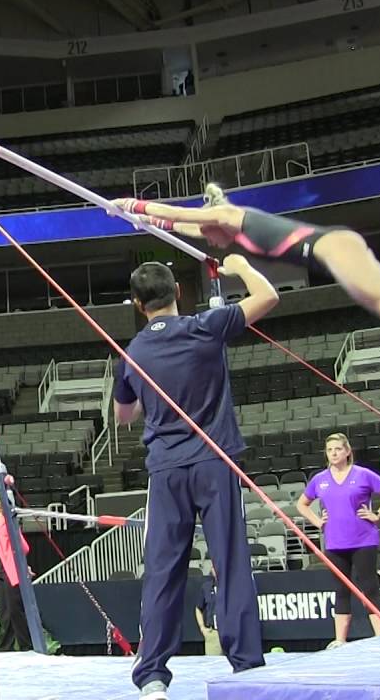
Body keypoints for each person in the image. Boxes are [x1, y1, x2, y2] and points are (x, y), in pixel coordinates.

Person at [113, 188, 380, 426]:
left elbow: (189, 217)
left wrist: (132, 204)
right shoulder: (231, 228)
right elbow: (187, 228)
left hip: (336, 248)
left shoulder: (227, 217)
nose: (212, 241)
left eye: (212, 233)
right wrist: (145, 223)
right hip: (333, 253)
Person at [111, 255, 279, 700]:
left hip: (167, 469)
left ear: (136, 304)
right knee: (229, 562)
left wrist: (154, 390)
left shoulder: (131, 354)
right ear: (178, 293)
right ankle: (245, 667)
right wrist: (241, 266)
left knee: (164, 572)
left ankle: (151, 677)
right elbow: (269, 297)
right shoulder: (206, 326)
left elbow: (124, 414)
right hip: (213, 460)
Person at [295, 433, 380, 649]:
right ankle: (340, 640)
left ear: (347, 451)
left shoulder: (362, 474)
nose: (333, 453)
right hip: (335, 542)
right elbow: (302, 504)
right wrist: (317, 521)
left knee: (368, 586)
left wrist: (378, 514)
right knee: (341, 589)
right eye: (329, 450)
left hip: (363, 539)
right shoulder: (320, 479)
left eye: (337, 449)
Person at [0, 492, 32, 651]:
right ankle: (6, 647)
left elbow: (24, 547)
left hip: (10, 571)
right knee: (3, 611)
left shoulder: (8, 524)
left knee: (15, 609)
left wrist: (21, 565)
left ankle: (26, 645)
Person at [193, 563, 222, 656]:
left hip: (231, 633)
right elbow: (198, 608)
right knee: (214, 667)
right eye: (214, 567)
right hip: (213, 634)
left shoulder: (232, 587)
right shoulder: (206, 587)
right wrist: (202, 628)